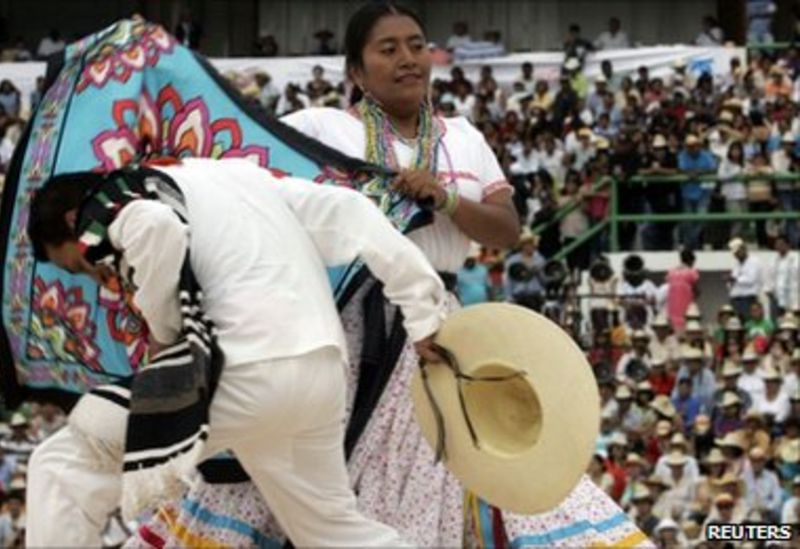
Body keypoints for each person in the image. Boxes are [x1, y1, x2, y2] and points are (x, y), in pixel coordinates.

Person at [139, 5, 641, 549]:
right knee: (298, 473)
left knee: (447, 455)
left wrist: (444, 197)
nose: (408, 59)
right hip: (342, 326)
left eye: (417, 45)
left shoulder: (464, 138)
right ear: (355, 71)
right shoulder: (317, 129)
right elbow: (249, 197)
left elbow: (505, 229)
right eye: (388, 49)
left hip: (435, 327)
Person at [24, 158, 449, 547]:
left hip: (248, 368)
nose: (96, 276)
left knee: (60, 466)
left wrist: (164, 332)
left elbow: (156, 228)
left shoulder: (115, 200)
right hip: (319, 372)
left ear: (71, 221)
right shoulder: (248, 178)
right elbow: (352, 213)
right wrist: (423, 313)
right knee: (335, 532)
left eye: (79, 265)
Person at [728, 238, 763, 321]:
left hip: (747, 298)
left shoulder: (754, 261)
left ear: (744, 249)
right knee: (736, 323)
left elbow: (750, 279)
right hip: (735, 298)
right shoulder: (736, 263)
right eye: (735, 254)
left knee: (747, 322)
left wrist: (735, 279)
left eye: (738, 252)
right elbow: (733, 280)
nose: (736, 255)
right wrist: (730, 281)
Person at [767, 235, 800, 320]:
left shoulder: (796, 259)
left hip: (793, 299)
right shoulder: (773, 260)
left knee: (793, 325)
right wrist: (769, 290)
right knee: (777, 326)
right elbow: (770, 278)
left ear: (788, 245)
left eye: (781, 244)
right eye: (777, 244)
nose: (778, 246)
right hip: (777, 300)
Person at [666, 249, 699, 334]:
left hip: (672, 313)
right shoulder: (692, 272)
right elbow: (696, 290)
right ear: (691, 261)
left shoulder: (671, 271)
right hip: (686, 312)